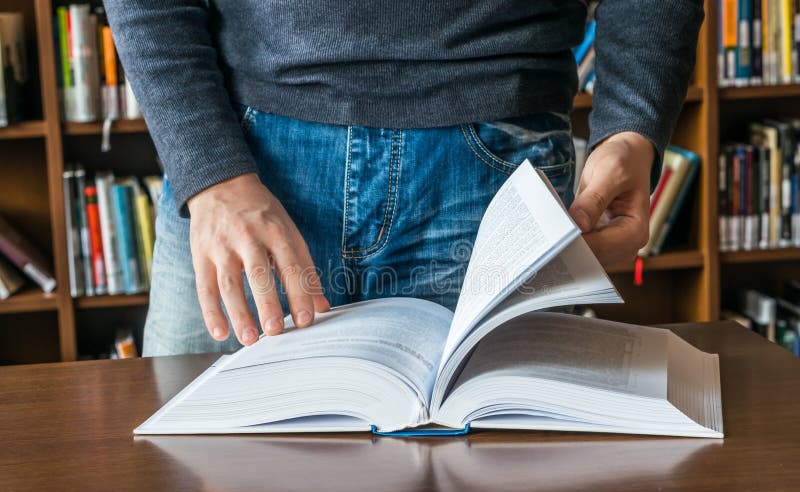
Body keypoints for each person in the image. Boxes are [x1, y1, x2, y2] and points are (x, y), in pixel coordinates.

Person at [104, 1, 704, 356]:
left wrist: (632, 125)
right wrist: (209, 171)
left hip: (492, 177)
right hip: (240, 173)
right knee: (193, 490)